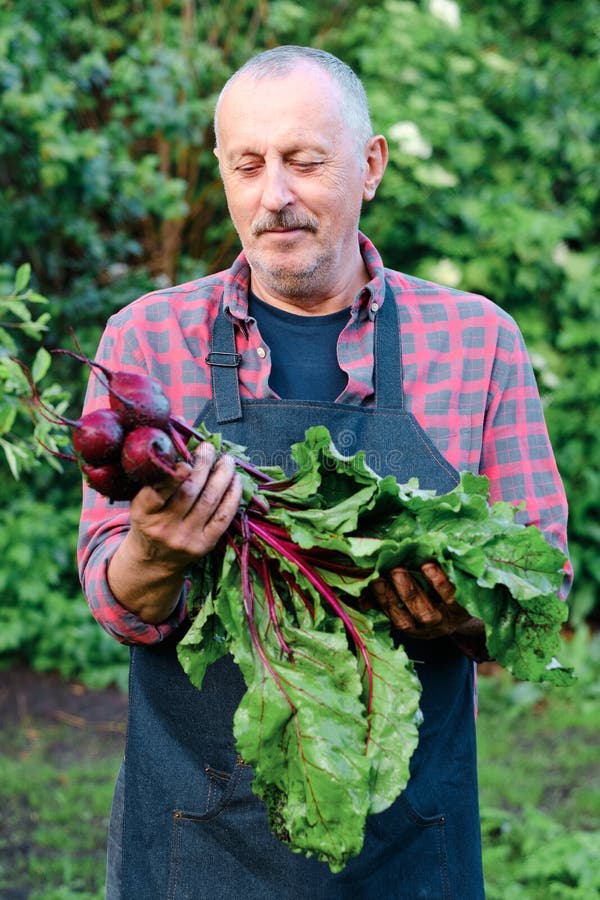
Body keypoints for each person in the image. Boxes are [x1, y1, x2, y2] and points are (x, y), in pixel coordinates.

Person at [78, 46, 570, 899]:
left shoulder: (479, 338)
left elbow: (541, 588)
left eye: (305, 161)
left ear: (369, 166)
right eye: (248, 165)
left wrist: (466, 615)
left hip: (410, 843)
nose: (275, 195)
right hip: (195, 842)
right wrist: (158, 557)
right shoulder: (142, 343)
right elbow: (112, 595)